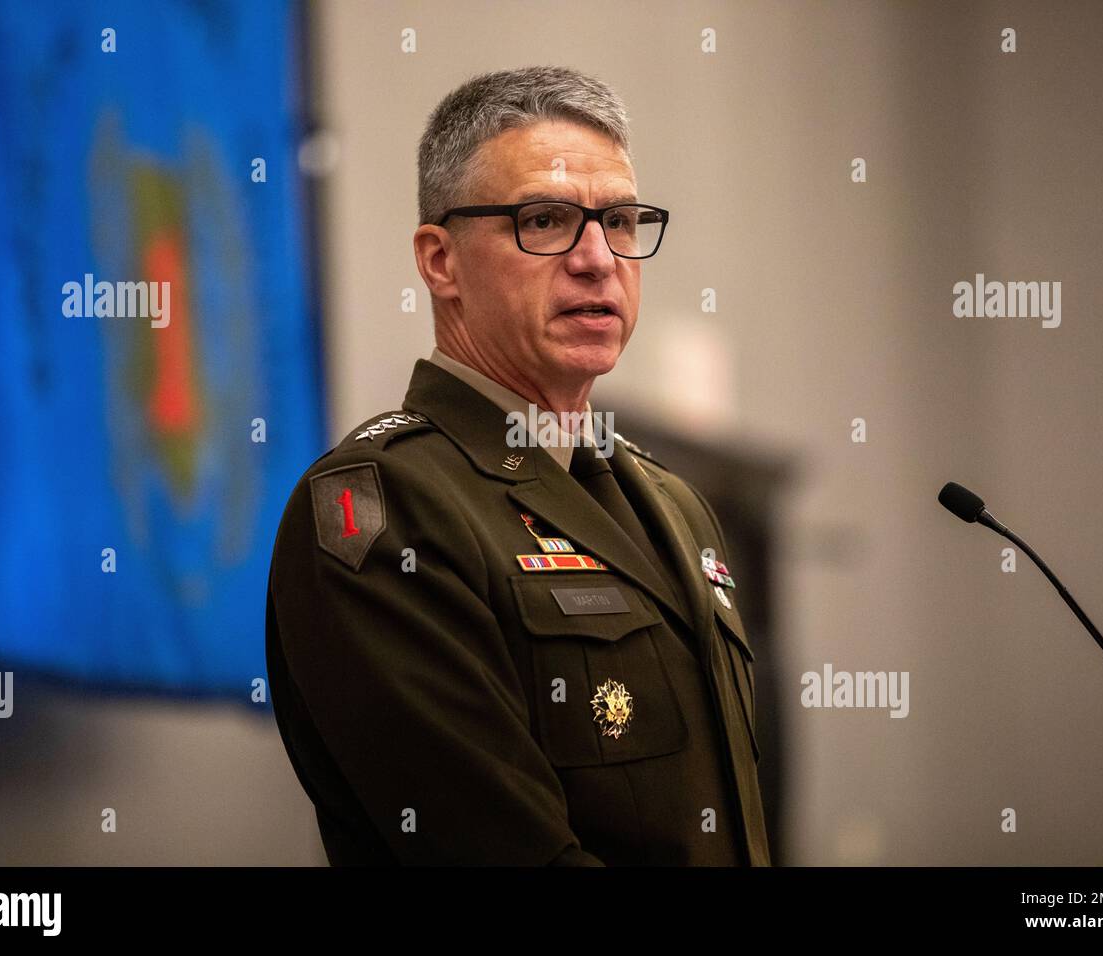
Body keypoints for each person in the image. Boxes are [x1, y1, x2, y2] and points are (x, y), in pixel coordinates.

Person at [266, 65, 769, 865]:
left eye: (622, 222)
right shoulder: (384, 508)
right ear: (440, 261)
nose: (598, 259)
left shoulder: (677, 504)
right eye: (545, 220)